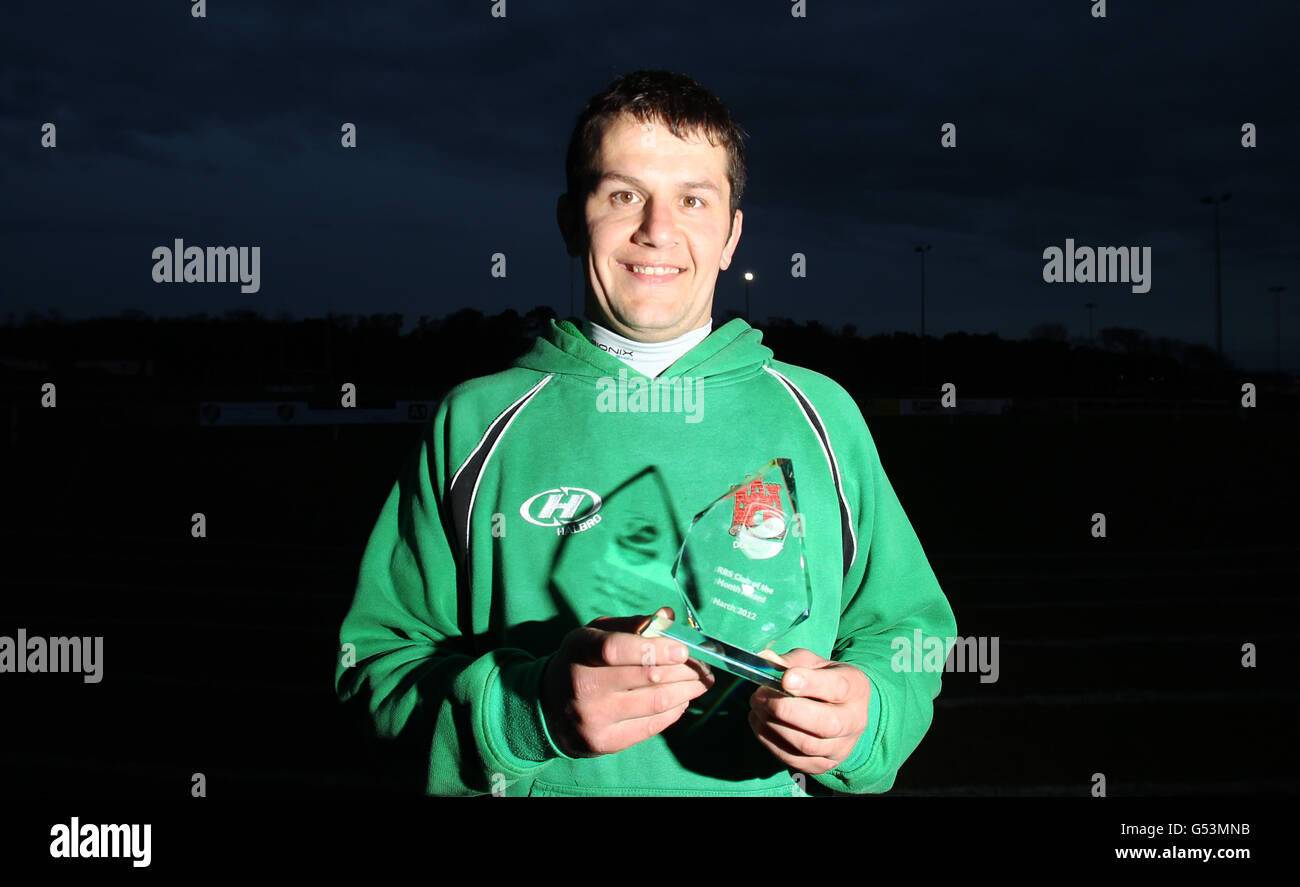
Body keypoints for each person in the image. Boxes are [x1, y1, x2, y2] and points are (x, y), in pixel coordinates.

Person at [335, 70, 957, 796]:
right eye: (624, 194)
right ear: (572, 220)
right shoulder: (474, 422)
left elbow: (905, 633)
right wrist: (523, 713)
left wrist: (869, 715)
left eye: (694, 199)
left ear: (732, 234)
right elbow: (372, 669)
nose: (657, 229)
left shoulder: (823, 416)